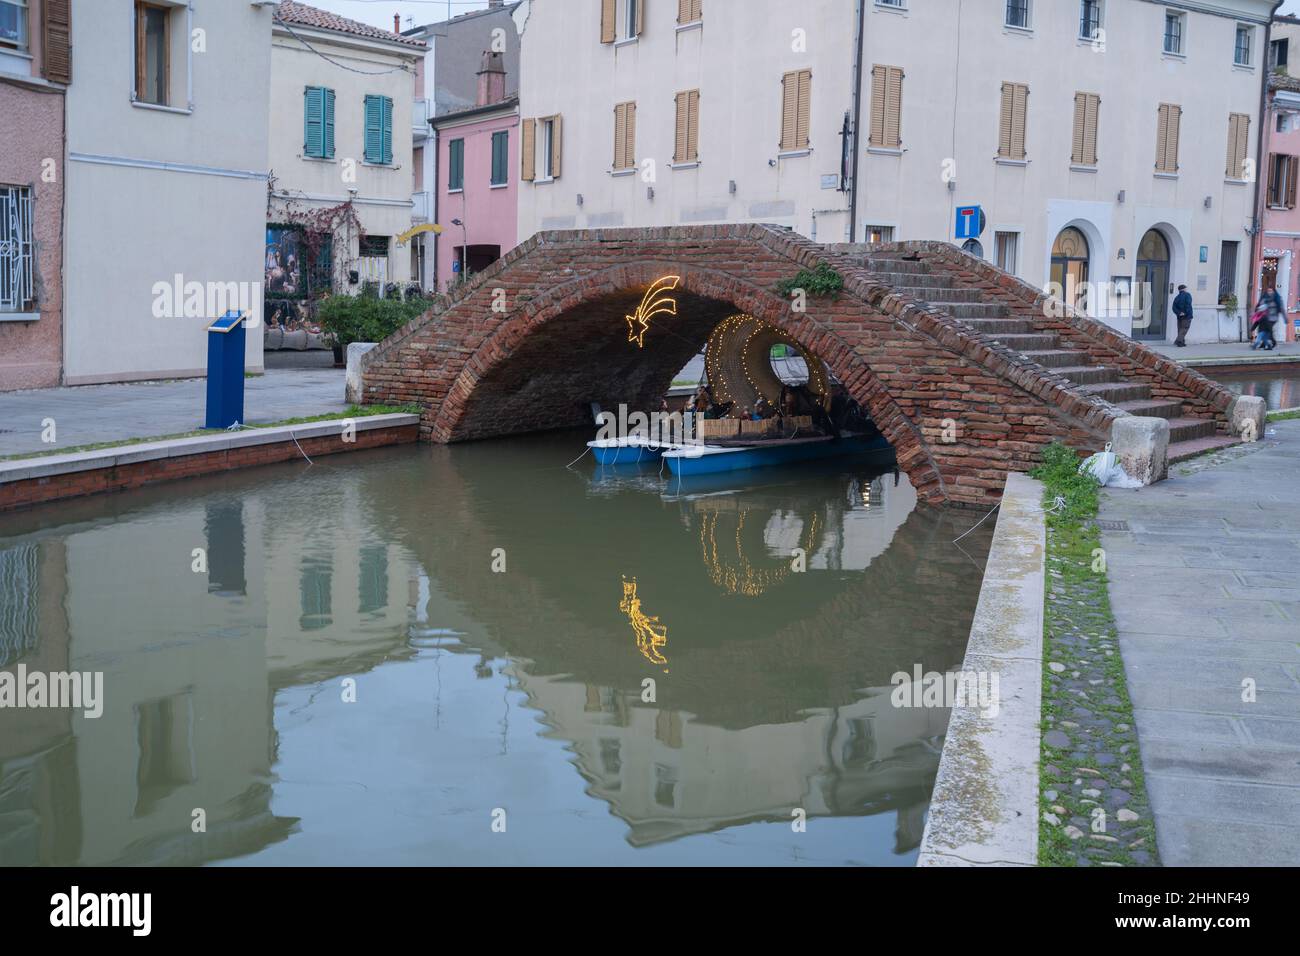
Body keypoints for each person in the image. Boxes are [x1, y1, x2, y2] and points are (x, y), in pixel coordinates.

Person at [1252, 287, 1284, 351]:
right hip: (1265, 317)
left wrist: (1285, 318)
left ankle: (1271, 342)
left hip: (1272, 318)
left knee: (1267, 331)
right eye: (1268, 290)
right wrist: (1257, 310)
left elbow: (1281, 308)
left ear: (1273, 291)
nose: (1269, 292)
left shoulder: (1276, 298)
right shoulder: (1265, 297)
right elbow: (1260, 305)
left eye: (1271, 291)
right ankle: (1267, 344)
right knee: (1265, 332)